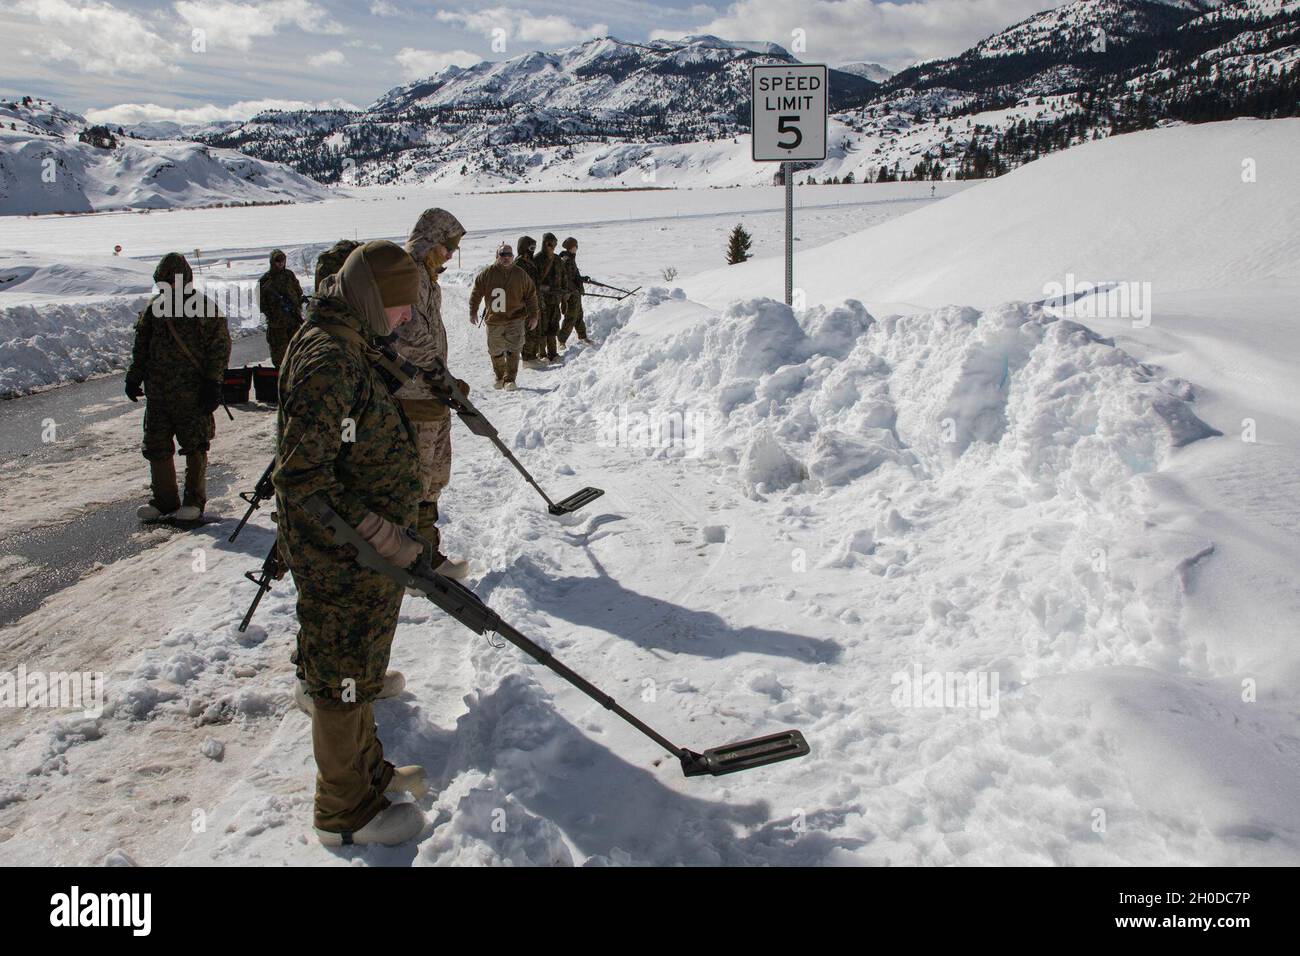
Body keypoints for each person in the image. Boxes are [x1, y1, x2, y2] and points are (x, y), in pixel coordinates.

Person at [273, 240, 429, 847]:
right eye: (398, 306)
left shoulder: (348, 338)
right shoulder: (328, 358)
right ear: (367, 295)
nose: (407, 318)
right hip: (340, 555)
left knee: (358, 668)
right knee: (341, 673)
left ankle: (368, 774)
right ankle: (346, 813)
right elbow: (302, 476)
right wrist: (380, 533)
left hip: (356, 555)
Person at [125, 252, 231, 523]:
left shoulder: (203, 307)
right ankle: (164, 500)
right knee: (156, 446)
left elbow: (219, 348)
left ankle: (194, 501)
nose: (166, 287)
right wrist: (133, 378)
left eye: (171, 281)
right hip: (158, 394)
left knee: (195, 445)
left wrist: (213, 383)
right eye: (162, 282)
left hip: (191, 393)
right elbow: (142, 348)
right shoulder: (154, 308)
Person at [392, 208, 470, 579]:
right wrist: (440, 374)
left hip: (431, 392)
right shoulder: (407, 274)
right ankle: (414, 562)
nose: (450, 255)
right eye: (447, 247)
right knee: (417, 480)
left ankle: (427, 552)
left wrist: (444, 379)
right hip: (414, 395)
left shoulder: (426, 276)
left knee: (435, 476)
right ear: (430, 243)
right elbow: (406, 333)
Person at [468, 243, 538, 390]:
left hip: (516, 318)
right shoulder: (487, 273)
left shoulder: (520, 274)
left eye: (509, 255)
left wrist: (533, 315)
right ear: (497, 256)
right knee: (495, 350)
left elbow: (531, 295)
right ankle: (500, 376)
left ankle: (510, 379)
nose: (506, 258)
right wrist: (473, 310)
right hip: (494, 320)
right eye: (502, 255)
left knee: (514, 349)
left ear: (513, 257)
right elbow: (476, 293)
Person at [257, 248, 303, 368]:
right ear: (272, 262)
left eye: (282, 260)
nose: (281, 263)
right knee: (280, 356)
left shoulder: (289, 275)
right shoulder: (265, 280)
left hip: (293, 320)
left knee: (296, 351)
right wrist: (272, 314)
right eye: (278, 260)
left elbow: (298, 291)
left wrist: (296, 305)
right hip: (277, 325)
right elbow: (261, 303)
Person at [534, 232, 563, 362]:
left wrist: (564, 295)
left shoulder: (557, 260)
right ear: (544, 244)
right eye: (550, 244)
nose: (553, 246)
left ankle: (553, 353)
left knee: (553, 326)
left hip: (555, 300)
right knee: (542, 328)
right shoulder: (536, 260)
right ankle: (542, 353)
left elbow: (563, 278)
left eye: (555, 244)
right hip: (541, 301)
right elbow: (532, 283)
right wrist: (545, 289)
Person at [556, 236, 590, 346]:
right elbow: (566, 279)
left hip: (576, 292)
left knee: (579, 315)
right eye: (576, 246)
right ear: (572, 247)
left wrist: (581, 279)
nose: (577, 248)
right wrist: (573, 290)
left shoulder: (570, 258)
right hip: (571, 294)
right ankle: (561, 340)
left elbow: (573, 276)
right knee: (571, 317)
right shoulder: (566, 260)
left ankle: (583, 336)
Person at [515, 236, 542, 363]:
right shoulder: (519, 264)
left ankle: (532, 355)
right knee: (529, 330)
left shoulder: (530, 262)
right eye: (531, 248)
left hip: (534, 300)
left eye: (534, 248)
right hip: (524, 303)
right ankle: (528, 358)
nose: (533, 251)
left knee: (535, 329)